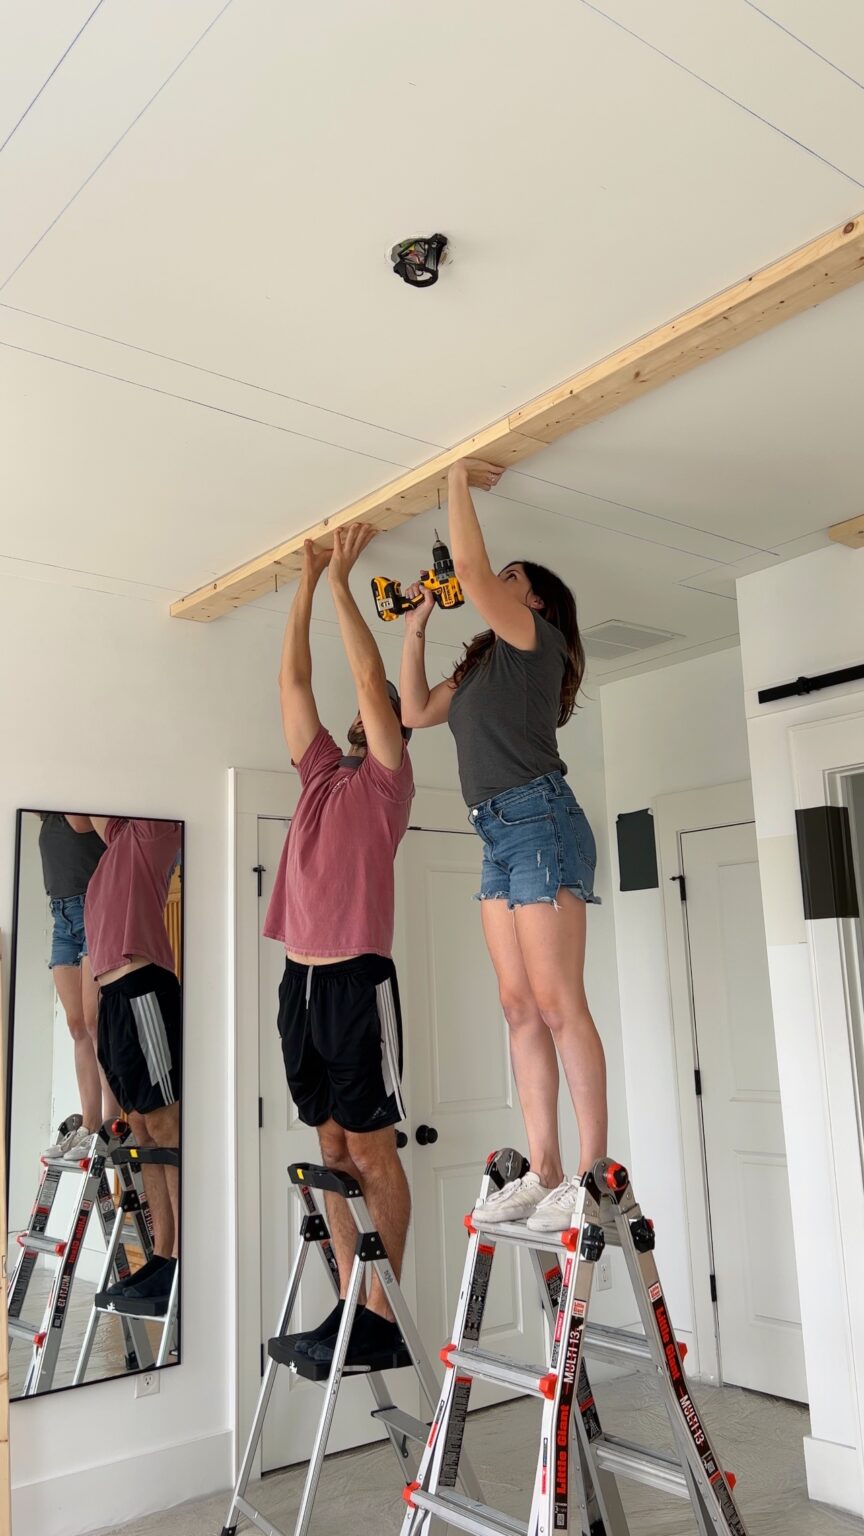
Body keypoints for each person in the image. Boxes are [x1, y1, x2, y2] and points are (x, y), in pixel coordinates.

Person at [400, 457, 606, 1232]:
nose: (497, 581)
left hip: (541, 820)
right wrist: (419, 621)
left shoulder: (534, 638)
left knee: (558, 1004)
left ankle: (590, 1173)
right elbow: (416, 710)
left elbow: (477, 573)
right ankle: (544, 1166)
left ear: (537, 601)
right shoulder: (485, 661)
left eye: (513, 575)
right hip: (495, 831)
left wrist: (452, 481)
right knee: (518, 1005)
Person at [263, 523, 414, 1369]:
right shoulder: (321, 775)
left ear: (389, 722)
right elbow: (294, 680)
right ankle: (352, 1300)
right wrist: (304, 580)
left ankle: (385, 1312)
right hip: (302, 981)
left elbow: (362, 676)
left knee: (370, 1147)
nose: (360, 713)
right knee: (327, 1149)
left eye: (374, 708)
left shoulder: (390, 780)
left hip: (358, 980)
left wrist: (345, 586)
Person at [67, 814, 182, 1310]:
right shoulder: (114, 847)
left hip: (143, 990)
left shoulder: (150, 833)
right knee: (139, 1127)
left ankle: (185, 1259)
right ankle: (163, 1256)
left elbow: (91, 803)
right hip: (114, 999)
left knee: (166, 1124)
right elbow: (80, 817)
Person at [38, 813, 121, 1158]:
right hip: (61, 916)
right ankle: (87, 1126)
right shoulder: (46, 810)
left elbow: (89, 827)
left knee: (94, 1019)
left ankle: (110, 1123)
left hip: (94, 909)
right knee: (76, 1027)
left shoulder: (81, 800)